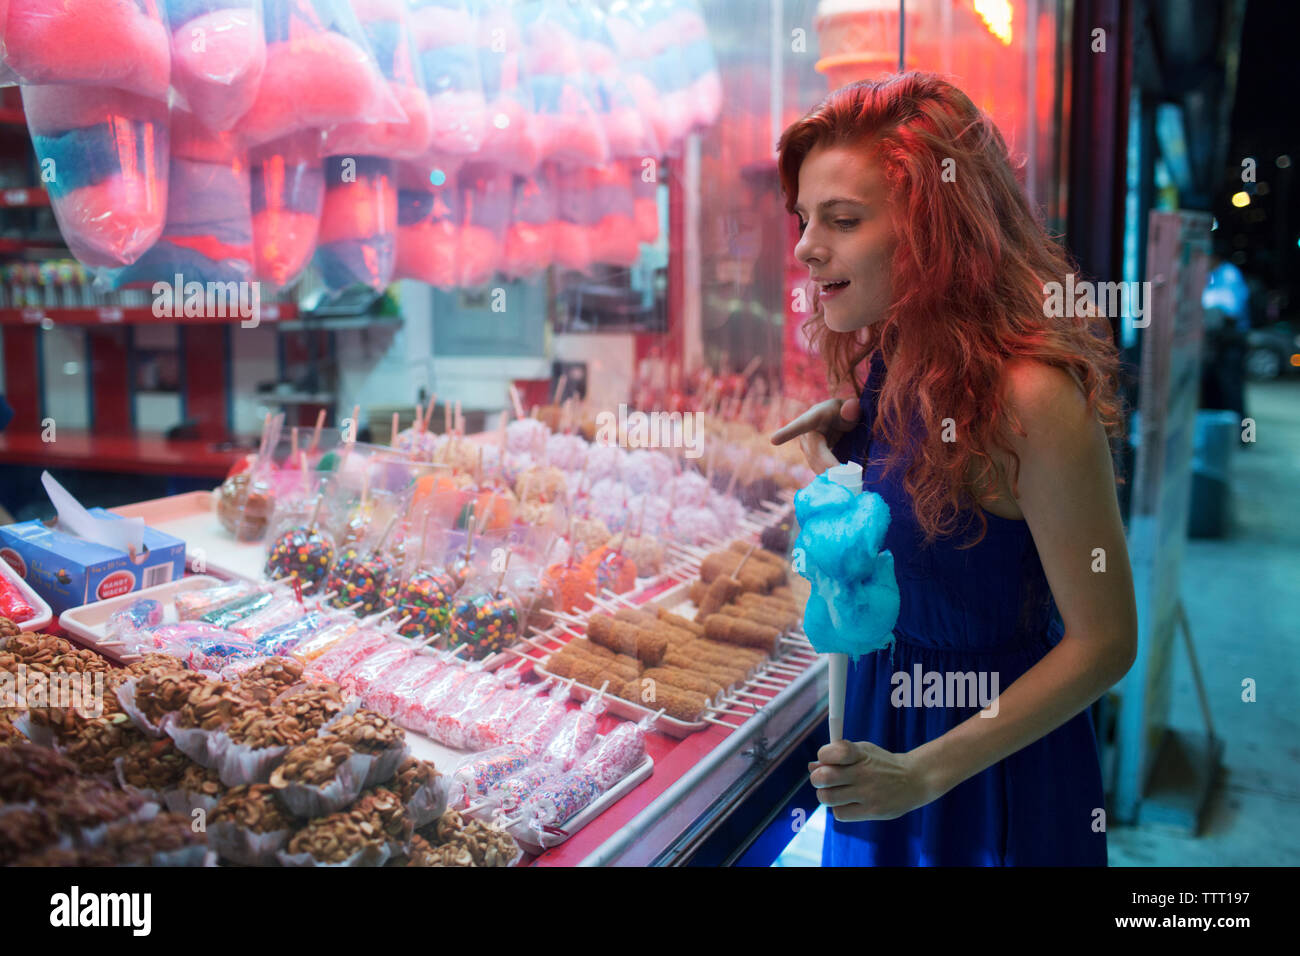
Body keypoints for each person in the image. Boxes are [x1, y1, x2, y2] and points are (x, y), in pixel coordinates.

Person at [770, 73, 1137, 865]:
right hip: (881, 752)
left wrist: (925, 772)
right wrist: (856, 446)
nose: (804, 246)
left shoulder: (1032, 398)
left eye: (842, 219)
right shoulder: (896, 353)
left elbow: (1106, 642)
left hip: (984, 769)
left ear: (938, 231)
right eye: (804, 219)